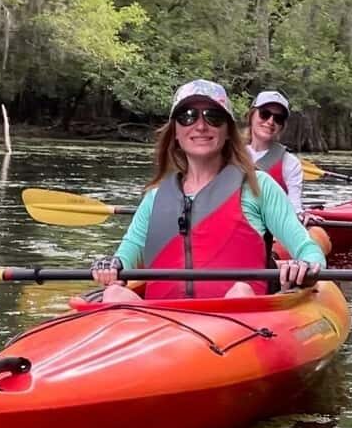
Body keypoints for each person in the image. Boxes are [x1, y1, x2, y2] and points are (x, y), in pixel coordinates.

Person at [91, 79, 325, 302]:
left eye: (213, 117)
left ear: (227, 131)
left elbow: (308, 250)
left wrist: (305, 266)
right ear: (176, 131)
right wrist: (112, 265)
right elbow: (128, 253)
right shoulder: (155, 197)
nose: (201, 126)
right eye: (188, 116)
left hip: (239, 315)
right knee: (114, 294)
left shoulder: (257, 186)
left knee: (240, 291)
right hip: (162, 318)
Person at [245, 91, 302, 213]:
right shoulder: (230, 154)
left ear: (281, 126)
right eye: (264, 114)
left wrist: (300, 215)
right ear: (251, 116)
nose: (271, 121)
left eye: (278, 118)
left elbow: (294, 207)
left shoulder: (290, 163)